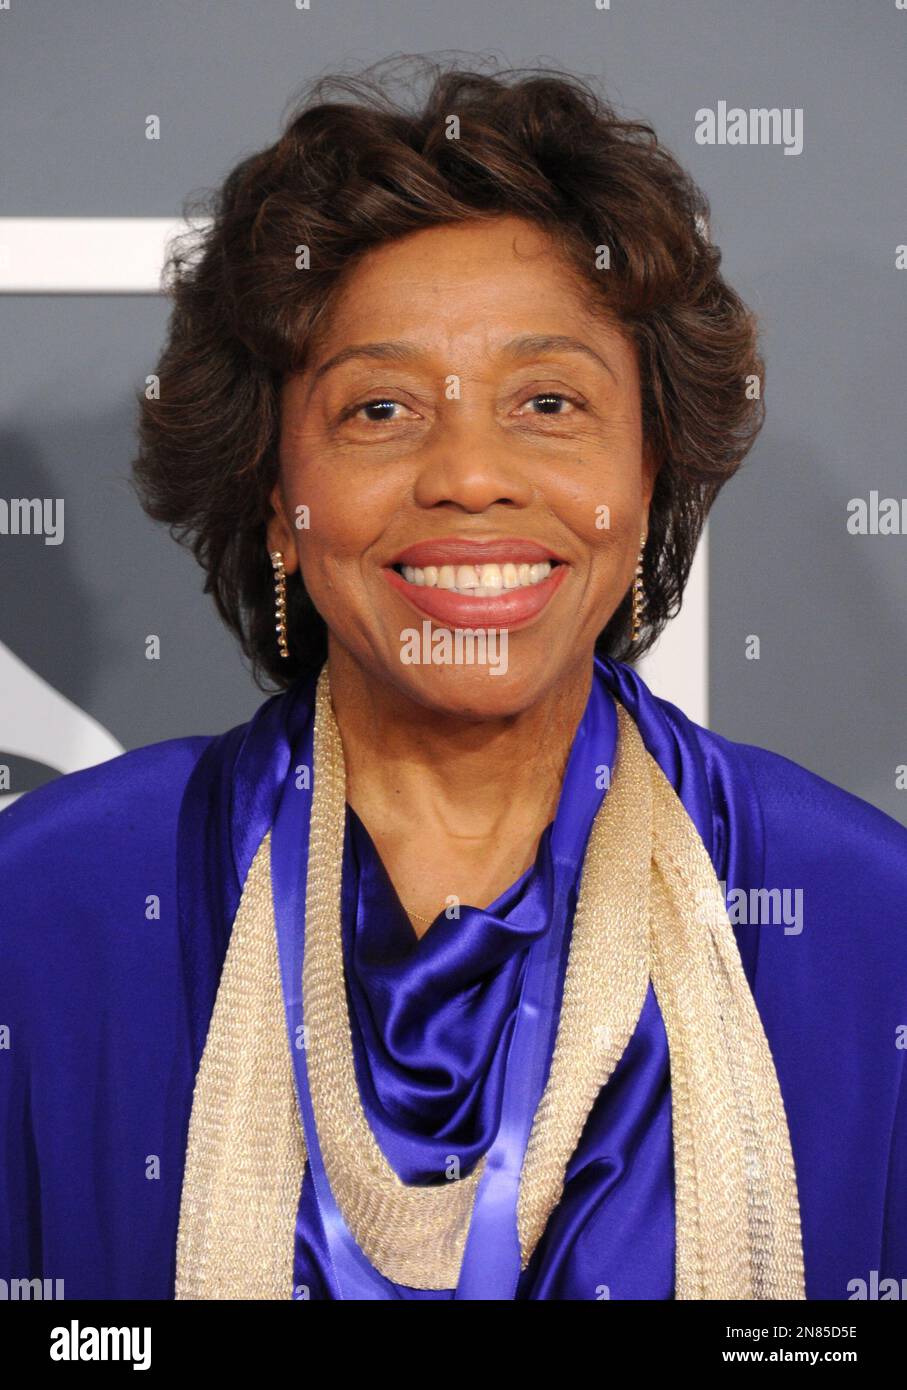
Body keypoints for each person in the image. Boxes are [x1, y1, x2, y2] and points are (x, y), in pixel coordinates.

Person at [1, 57, 905, 1302]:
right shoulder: (53, 907)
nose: (469, 475)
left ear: (648, 481)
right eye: (379, 408)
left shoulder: (857, 918)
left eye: (547, 400)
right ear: (277, 498)